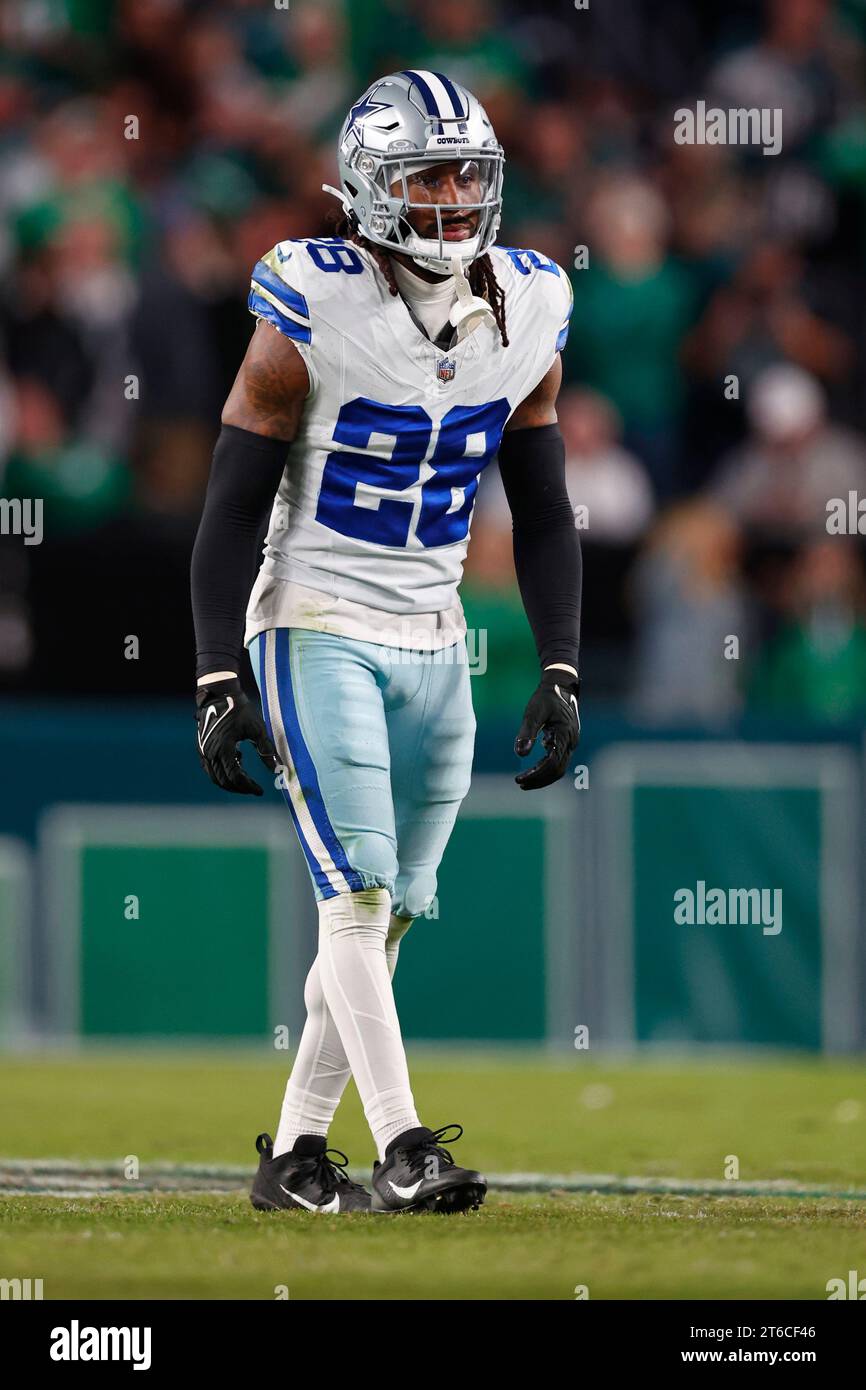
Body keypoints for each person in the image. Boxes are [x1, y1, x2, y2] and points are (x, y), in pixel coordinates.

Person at [190, 70, 581, 1215]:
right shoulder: (310, 303)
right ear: (366, 185)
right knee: (355, 898)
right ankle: (405, 1145)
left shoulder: (530, 303)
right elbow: (225, 509)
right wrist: (218, 670)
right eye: (426, 174)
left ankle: (296, 1157)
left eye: (469, 173)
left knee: (390, 911)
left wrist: (558, 661)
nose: (453, 197)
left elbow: (546, 509)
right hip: (313, 619)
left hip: (435, 634)